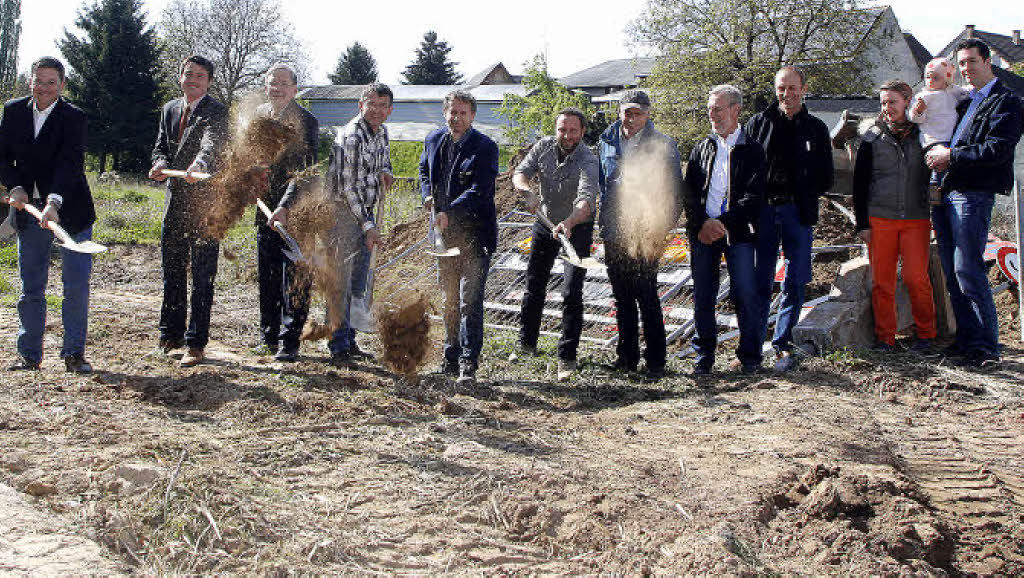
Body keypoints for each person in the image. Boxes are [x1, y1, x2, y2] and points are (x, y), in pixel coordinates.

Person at [925, 38, 1024, 367]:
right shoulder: (963, 101)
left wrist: (951, 155)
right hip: (945, 190)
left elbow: (997, 149)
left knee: (968, 268)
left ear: (987, 62)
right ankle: (966, 341)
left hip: (973, 193)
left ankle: (986, 347)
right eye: (962, 63)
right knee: (953, 271)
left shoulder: (1007, 102)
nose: (966, 68)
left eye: (971, 61)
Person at [0, 57, 96, 373]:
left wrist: (54, 203)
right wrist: (15, 187)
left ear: (62, 85)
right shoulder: (14, 111)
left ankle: (73, 354)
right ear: (31, 81)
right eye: (38, 81)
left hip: (70, 210)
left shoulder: (74, 117)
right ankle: (29, 354)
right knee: (31, 285)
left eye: (51, 83)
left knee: (75, 285)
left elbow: (70, 164)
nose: (43, 88)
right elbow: (2, 156)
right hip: (29, 210)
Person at [745, 65, 833, 372]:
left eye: (792, 88)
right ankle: (753, 348)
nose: (786, 94)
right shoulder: (758, 124)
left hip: (798, 213)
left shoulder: (816, 129)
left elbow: (826, 176)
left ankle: (782, 344)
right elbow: (744, 169)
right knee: (761, 281)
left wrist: (804, 192)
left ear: (803, 89)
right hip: (765, 212)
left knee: (795, 281)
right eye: (781, 88)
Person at [596, 89, 684, 379]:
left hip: (647, 229)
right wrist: (604, 224)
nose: (632, 118)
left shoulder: (662, 145)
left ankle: (656, 361)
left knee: (646, 294)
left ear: (648, 115)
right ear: (619, 112)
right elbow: (603, 186)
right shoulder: (606, 141)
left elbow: (674, 190)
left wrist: (662, 227)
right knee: (621, 296)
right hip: (615, 229)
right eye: (628, 112)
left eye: (639, 113)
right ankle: (626, 358)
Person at [148, 55, 228, 367]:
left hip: (206, 205)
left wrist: (200, 163)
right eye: (188, 74)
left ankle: (196, 343)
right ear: (180, 76)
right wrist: (160, 164)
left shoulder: (216, 111)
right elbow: (160, 147)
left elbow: (211, 143)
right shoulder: (170, 109)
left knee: (203, 275)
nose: (192, 80)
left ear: (209, 82)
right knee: (172, 269)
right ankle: (170, 335)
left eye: (199, 76)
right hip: (175, 202)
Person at [512, 107, 599, 382]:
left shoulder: (588, 159)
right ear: (556, 129)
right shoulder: (543, 147)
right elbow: (520, 173)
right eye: (562, 129)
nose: (567, 135)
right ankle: (526, 343)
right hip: (545, 222)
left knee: (572, 290)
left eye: (573, 130)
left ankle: (567, 356)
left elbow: (586, 199)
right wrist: (526, 191)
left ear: (582, 132)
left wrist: (570, 222)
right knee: (534, 283)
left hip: (577, 226)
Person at [683, 85, 765, 375]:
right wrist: (702, 224)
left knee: (745, 294)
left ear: (735, 109)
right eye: (709, 109)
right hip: (703, 233)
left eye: (718, 109)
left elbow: (754, 197)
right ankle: (704, 356)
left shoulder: (753, 150)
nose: (712, 115)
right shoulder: (702, 148)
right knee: (703, 295)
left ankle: (750, 358)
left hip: (739, 233)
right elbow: (689, 193)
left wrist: (723, 223)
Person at [419, 90, 499, 384]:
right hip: (443, 235)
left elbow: (480, 190)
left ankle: (468, 361)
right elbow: (423, 171)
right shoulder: (433, 140)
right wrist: (427, 196)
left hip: (475, 236)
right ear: (445, 113)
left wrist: (449, 211)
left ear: (472, 116)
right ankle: (450, 357)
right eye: (453, 112)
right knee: (448, 298)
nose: (457, 118)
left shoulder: (485, 148)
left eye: (463, 113)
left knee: (469, 300)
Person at [854, 80, 936, 353]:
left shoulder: (925, 133)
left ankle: (926, 335)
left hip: (916, 218)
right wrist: (862, 223)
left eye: (892, 102)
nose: (887, 108)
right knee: (882, 282)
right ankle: (885, 338)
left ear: (907, 101)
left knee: (916, 278)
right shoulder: (871, 137)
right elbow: (860, 183)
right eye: (883, 103)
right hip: (880, 218)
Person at [324, 83, 394, 366]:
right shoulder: (351, 136)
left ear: (389, 110)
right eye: (371, 104)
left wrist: (386, 172)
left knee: (357, 281)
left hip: (366, 212)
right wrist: (367, 225)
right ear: (361, 105)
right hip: (341, 215)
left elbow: (383, 161)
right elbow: (348, 188)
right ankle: (338, 346)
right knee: (340, 282)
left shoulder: (382, 132)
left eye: (382, 105)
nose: (376, 110)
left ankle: (350, 340)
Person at [253, 63, 318, 362]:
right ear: (266, 87)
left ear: (294, 89)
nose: (277, 88)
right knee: (267, 275)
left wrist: (285, 206)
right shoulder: (259, 116)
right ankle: (268, 335)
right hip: (263, 208)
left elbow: (304, 171)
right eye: (272, 83)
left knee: (295, 276)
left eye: (283, 83)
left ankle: (289, 341)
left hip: (296, 211)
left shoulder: (306, 121)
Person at [907, 58, 969, 204]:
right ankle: (934, 187)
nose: (930, 81)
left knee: (947, 164)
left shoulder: (952, 92)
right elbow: (914, 118)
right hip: (933, 137)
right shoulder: (923, 96)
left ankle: (943, 189)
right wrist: (918, 111)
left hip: (950, 137)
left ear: (946, 80)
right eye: (928, 77)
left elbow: (966, 93)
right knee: (937, 162)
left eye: (935, 78)